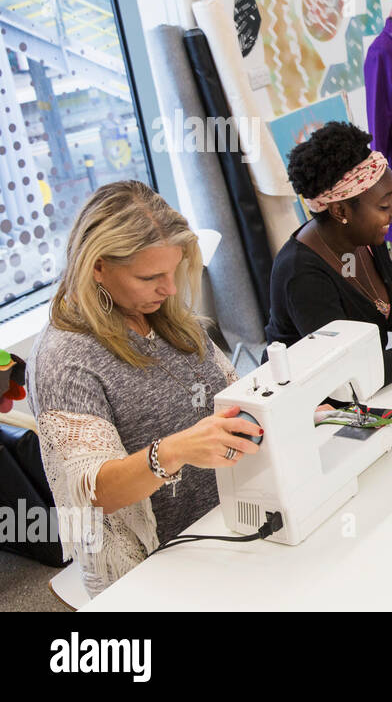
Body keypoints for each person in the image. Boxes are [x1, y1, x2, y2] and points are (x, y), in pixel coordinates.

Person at [28, 181, 262, 596]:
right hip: (157, 565)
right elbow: (95, 492)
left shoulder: (167, 316)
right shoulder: (66, 359)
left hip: (228, 520)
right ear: (97, 267)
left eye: (172, 271)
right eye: (150, 276)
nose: (170, 288)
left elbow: (233, 392)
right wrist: (173, 451)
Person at [265, 122, 392, 386]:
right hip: (318, 401)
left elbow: (386, 310)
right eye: (384, 205)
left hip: (369, 381)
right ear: (340, 211)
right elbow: (351, 374)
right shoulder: (302, 277)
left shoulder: (364, 238)